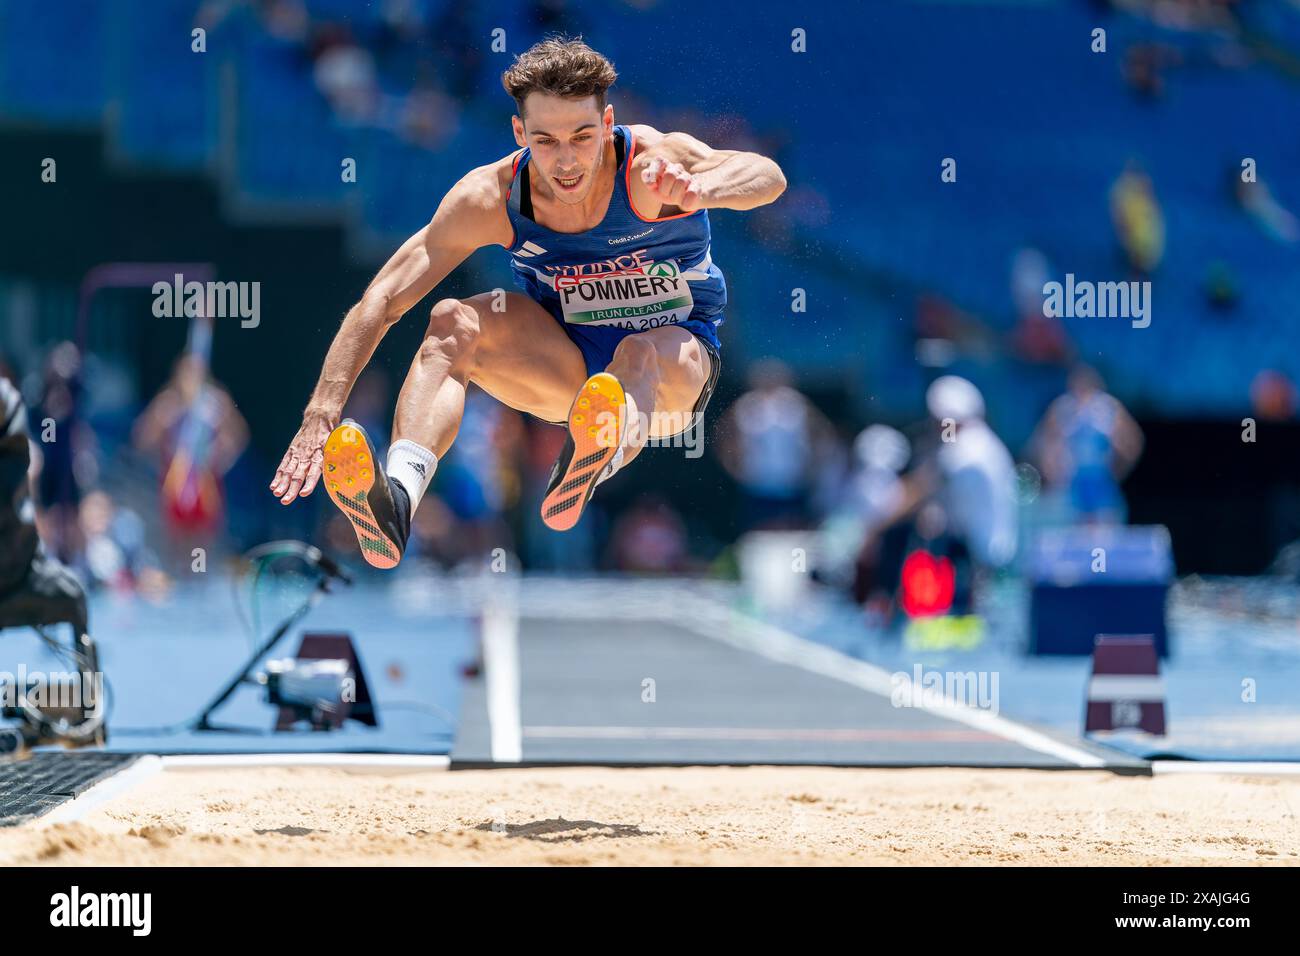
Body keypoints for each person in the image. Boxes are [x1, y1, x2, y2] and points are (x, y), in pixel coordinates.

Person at [270, 37, 786, 568]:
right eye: (547, 141)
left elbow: (768, 177)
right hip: (563, 365)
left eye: (583, 137)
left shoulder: (652, 165)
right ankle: (399, 496)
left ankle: (597, 453)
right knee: (452, 322)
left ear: (608, 123)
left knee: (637, 354)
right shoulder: (491, 196)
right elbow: (381, 298)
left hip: (673, 368)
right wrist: (321, 412)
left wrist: (703, 187)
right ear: (520, 134)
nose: (566, 161)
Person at [1028, 365, 1144, 525]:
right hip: (1071, 486)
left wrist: (1117, 470)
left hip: (1102, 483)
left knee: (1104, 541)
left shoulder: (1109, 408)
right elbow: (1040, 443)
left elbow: (1133, 444)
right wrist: (1054, 474)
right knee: (1072, 539)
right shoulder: (1062, 408)